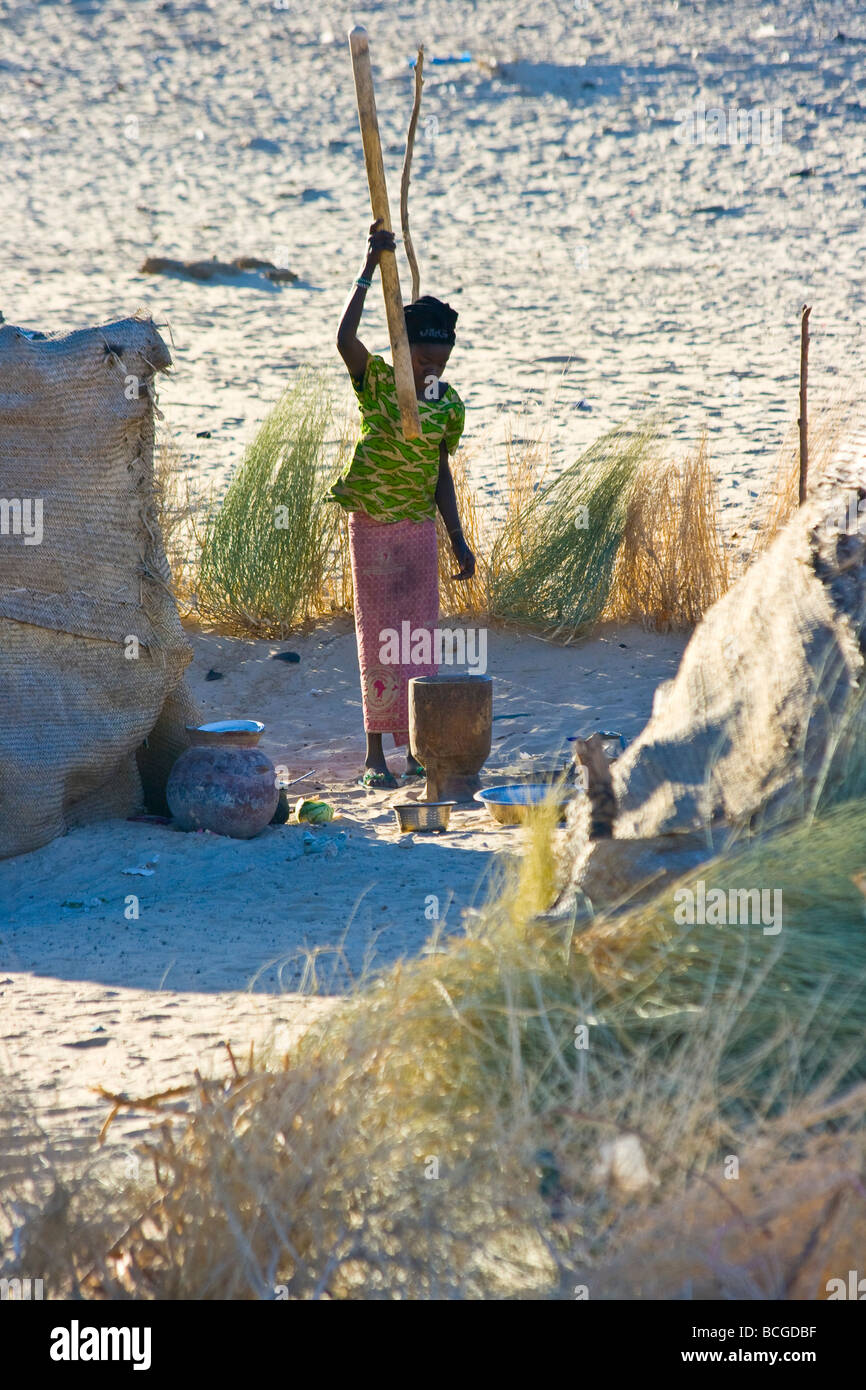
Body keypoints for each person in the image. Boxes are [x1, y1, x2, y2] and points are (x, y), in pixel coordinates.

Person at [331, 220, 475, 788]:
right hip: (371, 525)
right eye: (422, 361)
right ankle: (374, 756)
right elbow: (344, 340)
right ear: (403, 348)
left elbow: (440, 473)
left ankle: (414, 751)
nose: (431, 371)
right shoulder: (379, 382)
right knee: (376, 637)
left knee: (416, 642)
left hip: (417, 529)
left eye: (441, 362)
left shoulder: (448, 406)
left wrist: (458, 539)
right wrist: (369, 268)